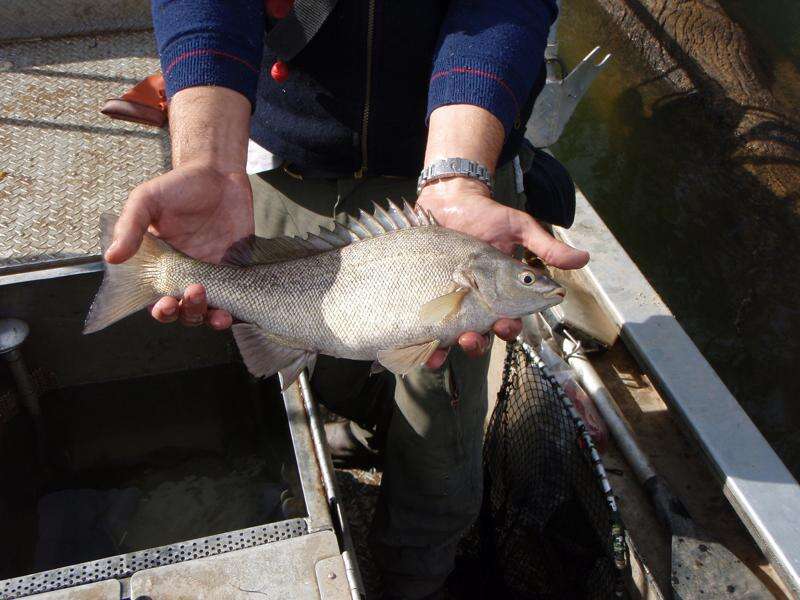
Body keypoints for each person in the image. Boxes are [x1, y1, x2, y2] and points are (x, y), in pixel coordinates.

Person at [107, 1, 589, 597]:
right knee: (318, 361)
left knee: (440, 418)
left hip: (453, 175)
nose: (532, 285)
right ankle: (370, 434)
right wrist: (208, 158)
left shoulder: (471, 258)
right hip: (286, 156)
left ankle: (416, 580)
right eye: (523, 280)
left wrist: (459, 174)